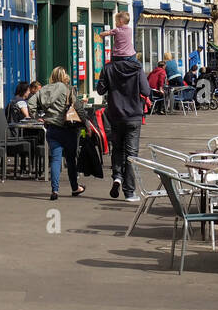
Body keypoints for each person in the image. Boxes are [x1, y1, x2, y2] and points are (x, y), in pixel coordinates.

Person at [96, 40, 151, 201]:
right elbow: (146, 90)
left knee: (117, 150)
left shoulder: (108, 68)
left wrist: (106, 78)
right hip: (133, 116)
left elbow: (100, 90)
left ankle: (117, 177)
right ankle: (129, 192)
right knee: (132, 154)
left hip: (115, 115)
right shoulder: (137, 68)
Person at [31, 67, 89, 201]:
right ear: (64, 76)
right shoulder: (68, 89)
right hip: (68, 129)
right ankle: (75, 187)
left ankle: (55, 190)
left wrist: (36, 116)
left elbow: (31, 102)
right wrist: (86, 124)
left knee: (56, 160)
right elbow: (79, 108)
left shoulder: (45, 89)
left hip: (52, 129)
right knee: (70, 160)